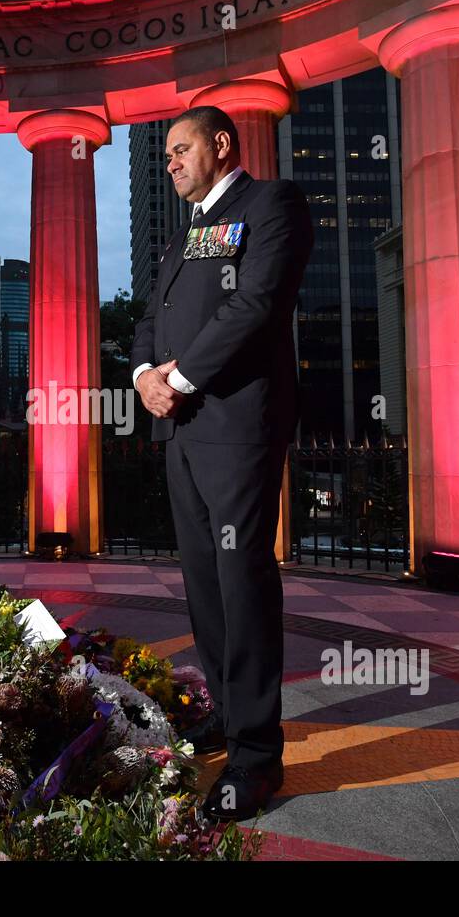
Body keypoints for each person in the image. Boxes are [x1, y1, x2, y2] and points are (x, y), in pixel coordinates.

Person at [131, 105, 313, 821]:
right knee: (204, 584)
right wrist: (142, 374)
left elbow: (256, 306)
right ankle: (228, 718)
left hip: (237, 425)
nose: (171, 161)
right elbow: (151, 317)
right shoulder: (186, 231)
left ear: (222, 144)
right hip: (182, 429)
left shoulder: (271, 204)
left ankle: (256, 757)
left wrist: (175, 380)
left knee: (242, 583)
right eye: (167, 154)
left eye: (181, 149)